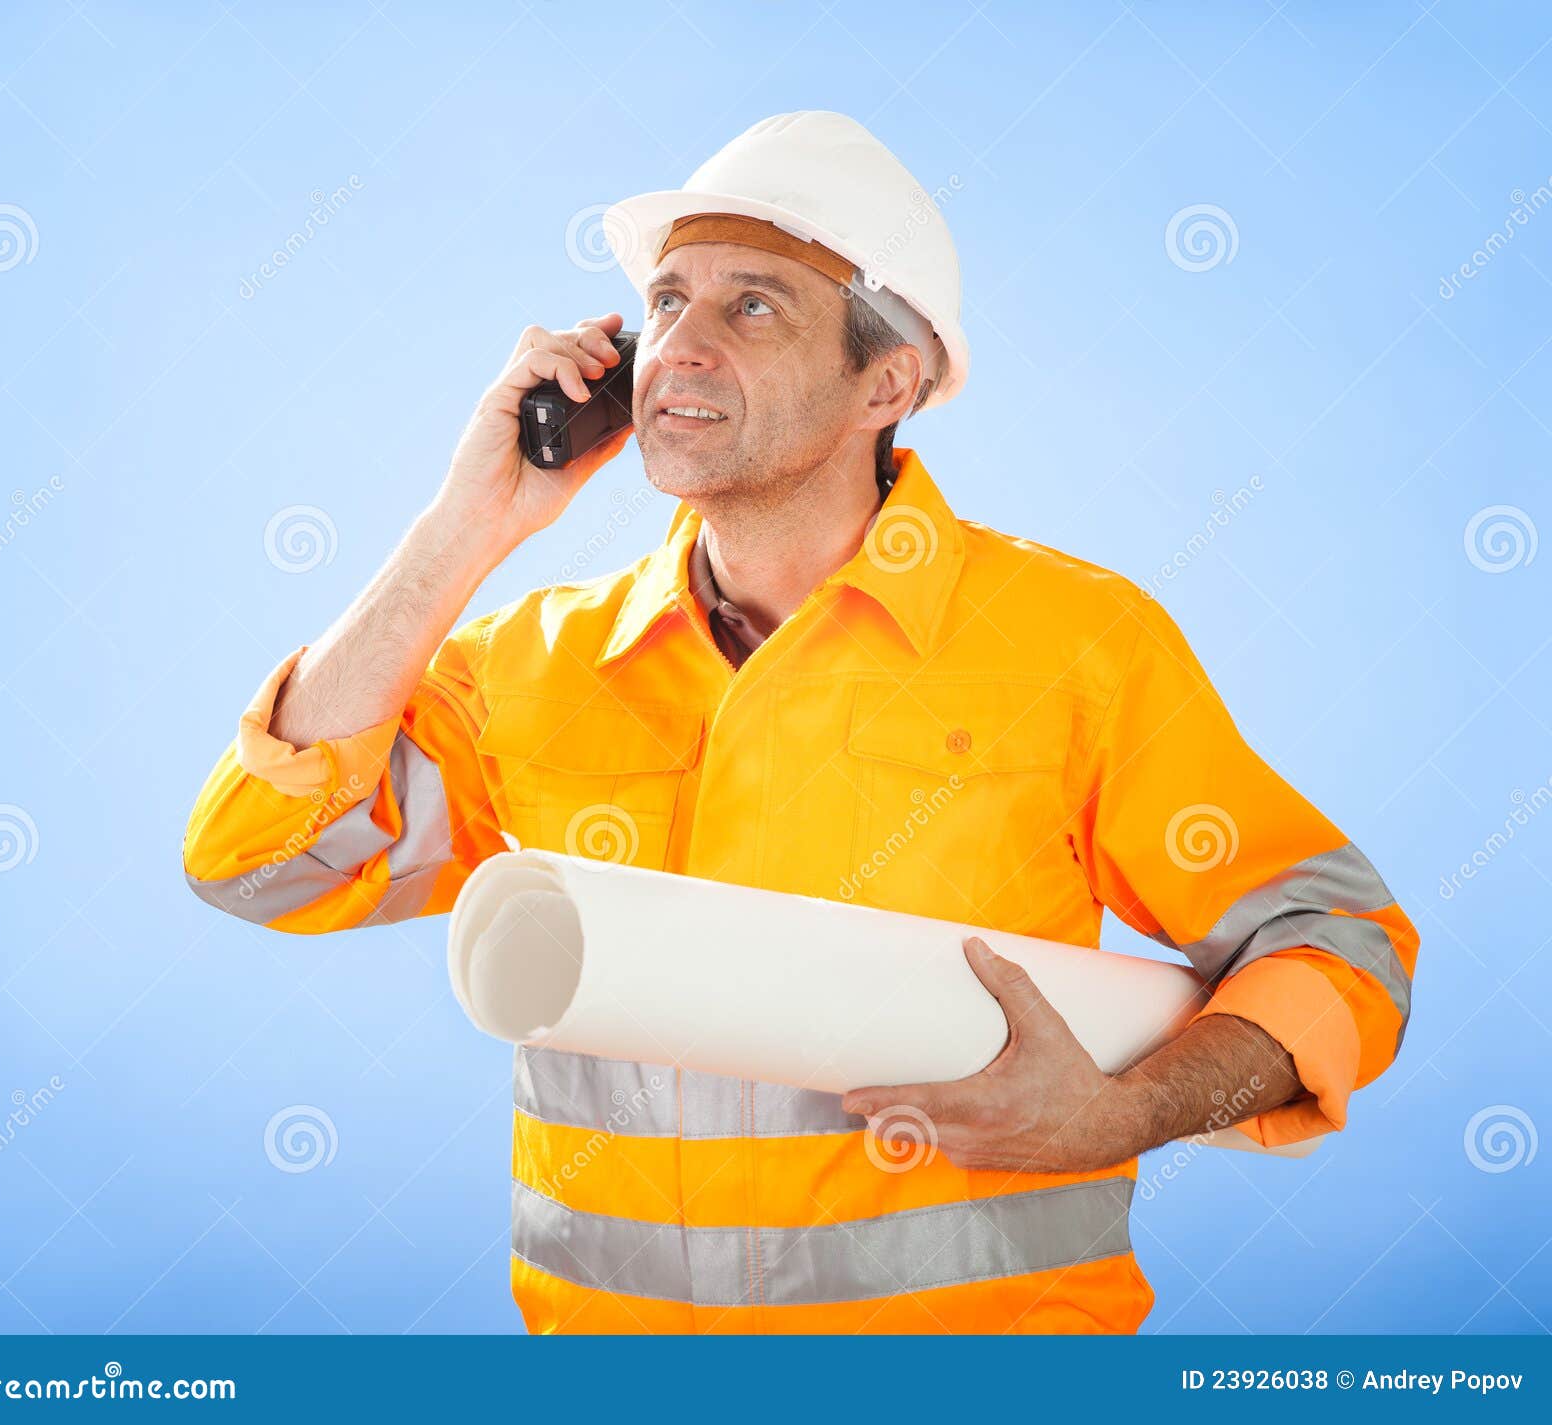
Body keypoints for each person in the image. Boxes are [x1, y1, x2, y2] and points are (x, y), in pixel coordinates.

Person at [185, 111, 1418, 1334]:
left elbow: (1336, 943)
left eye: (753, 307)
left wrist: (1129, 1113)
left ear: (887, 382)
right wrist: (468, 525)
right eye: (667, 301)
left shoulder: (1075, 647)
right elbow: (266, 869)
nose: (680, 347)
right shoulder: (535, 663)